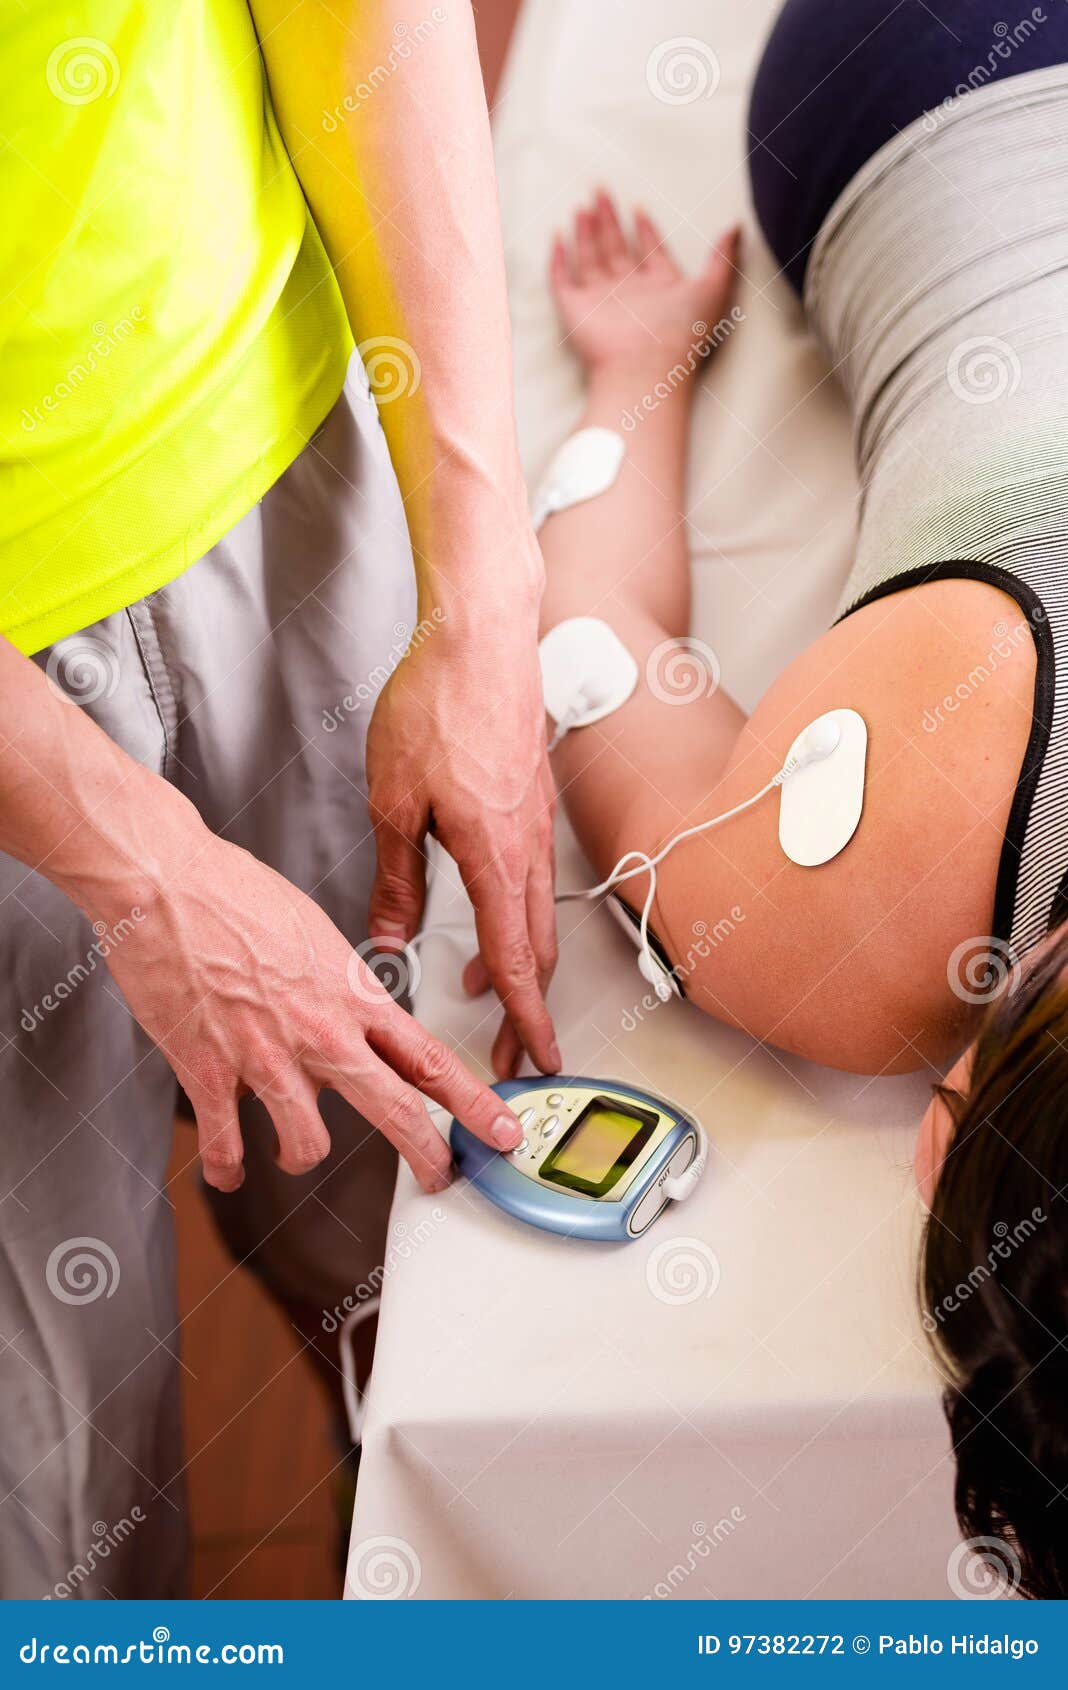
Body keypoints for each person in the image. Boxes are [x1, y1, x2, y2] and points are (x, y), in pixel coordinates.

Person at [491, 0, 1068, 1599]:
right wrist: (643, 369)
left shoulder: (875, 886)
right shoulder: (857, 904)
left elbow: (595, 653)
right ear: (946, 1141)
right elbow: (592, 650)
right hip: (926, 82)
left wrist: (639, 367)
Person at [0, 1, 558, 1596]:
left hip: (283, 450)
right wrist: (144, 871)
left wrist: (481, 578)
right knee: (58, 1486)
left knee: (421, 1230)